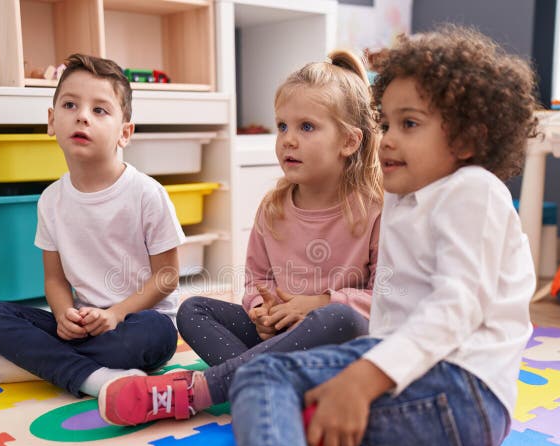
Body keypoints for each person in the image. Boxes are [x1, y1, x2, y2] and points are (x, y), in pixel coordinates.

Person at [190, 25, 539, 446]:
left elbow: (457, 309)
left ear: (466, 138)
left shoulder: (473, 190)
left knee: (264, 378)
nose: (389, 138)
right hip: (428, 406)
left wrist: (359, 380)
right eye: (385, 122)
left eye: (410, 124)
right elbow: (393, 308)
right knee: (294, 432)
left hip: (462, 392)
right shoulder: (401, 200)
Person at [97, 49, 383, 426]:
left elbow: (385, 300)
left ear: (348, 141)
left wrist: (317, 303)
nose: (288, 140)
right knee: (192, 309)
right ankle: (276, 387)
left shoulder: (375, 210)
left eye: (306, 127)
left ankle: (203, 390)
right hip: (278, 336)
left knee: (341, 317)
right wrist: (258, 310)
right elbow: (257, 279)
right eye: (282, 126)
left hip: (339, 346)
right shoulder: (274, 207)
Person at [0, 53, 185, 398]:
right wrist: (62, 315)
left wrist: (116, 314)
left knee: (154, 335)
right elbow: (55, 280)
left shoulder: (147, 193)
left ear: (125, 133)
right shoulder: (51, 200)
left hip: (135, 321)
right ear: (51, 121)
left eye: (99, 110)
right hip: (84, 325)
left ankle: (37, 366)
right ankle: (93, 375)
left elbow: (167, 277)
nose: (82, 117)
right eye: (70, 105)